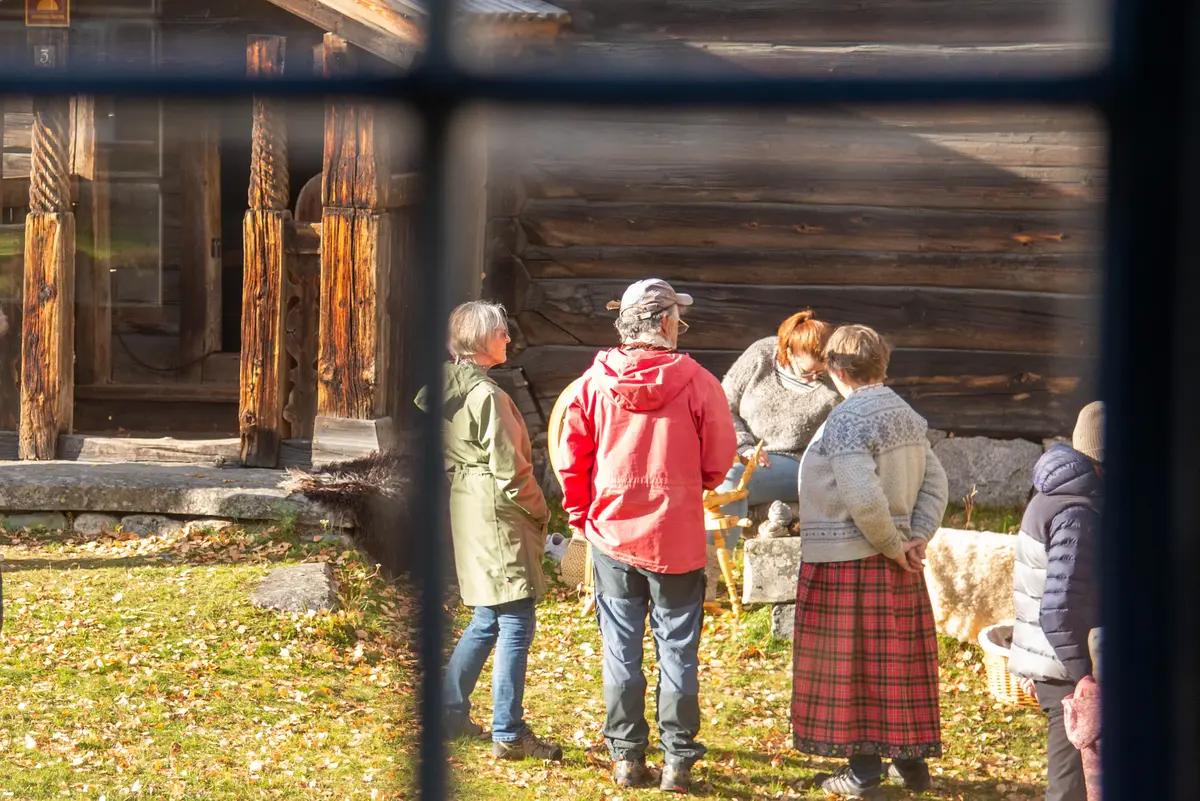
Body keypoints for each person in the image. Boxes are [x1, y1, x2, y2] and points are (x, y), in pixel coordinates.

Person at [558, 278, 737, 793]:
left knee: (620, 648)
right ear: (663, 323)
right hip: (675, 536)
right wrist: (686, 487)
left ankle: (626, 758)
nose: (680, 325)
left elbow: (573, 458)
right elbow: (718, 459)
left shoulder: (593, 383)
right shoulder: (699, 381)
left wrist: (577, 512)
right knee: (677, 650)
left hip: (611, 534)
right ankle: (678, 762)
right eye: (677, 317)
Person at [790, 324, 949, 798]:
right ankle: (912, 767)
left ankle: (862, 774)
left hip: (851, 562)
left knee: (853, 670)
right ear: (882, 363)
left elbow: (863, 496)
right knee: (895, 665)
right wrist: (914, 537)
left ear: (835, 368)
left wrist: (895, 543)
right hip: (893, 558)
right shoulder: (906, 414)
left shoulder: (848, 419)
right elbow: (936, 483)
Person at [418, 300, 562, 761]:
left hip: (466, 499)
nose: (509, 339)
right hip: (496, 509)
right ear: (482, 342)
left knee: (486, 616)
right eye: (501, 333)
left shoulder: (446, 387)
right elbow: (512, 471)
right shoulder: (487, 396)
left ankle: (448, 712)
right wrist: (541, 512)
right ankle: (508, 731)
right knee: (516, 618)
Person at [1010, 401, 1103, 801]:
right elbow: (1059, 608)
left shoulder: (1059, 492)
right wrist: (1083, 675)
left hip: (1057, 660)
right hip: (1065, 668)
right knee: (1070, 789)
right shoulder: (1075, 512)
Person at [715, 309, 840, 546]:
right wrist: (744, 445)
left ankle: (712, 567)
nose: (813, 378)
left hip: (798, 463)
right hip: (743, 453)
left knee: (731, 481)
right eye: (807, 371)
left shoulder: (834, 383)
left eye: (820, 372)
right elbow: (722, 406)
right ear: (789, 352)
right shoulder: (761, 355)